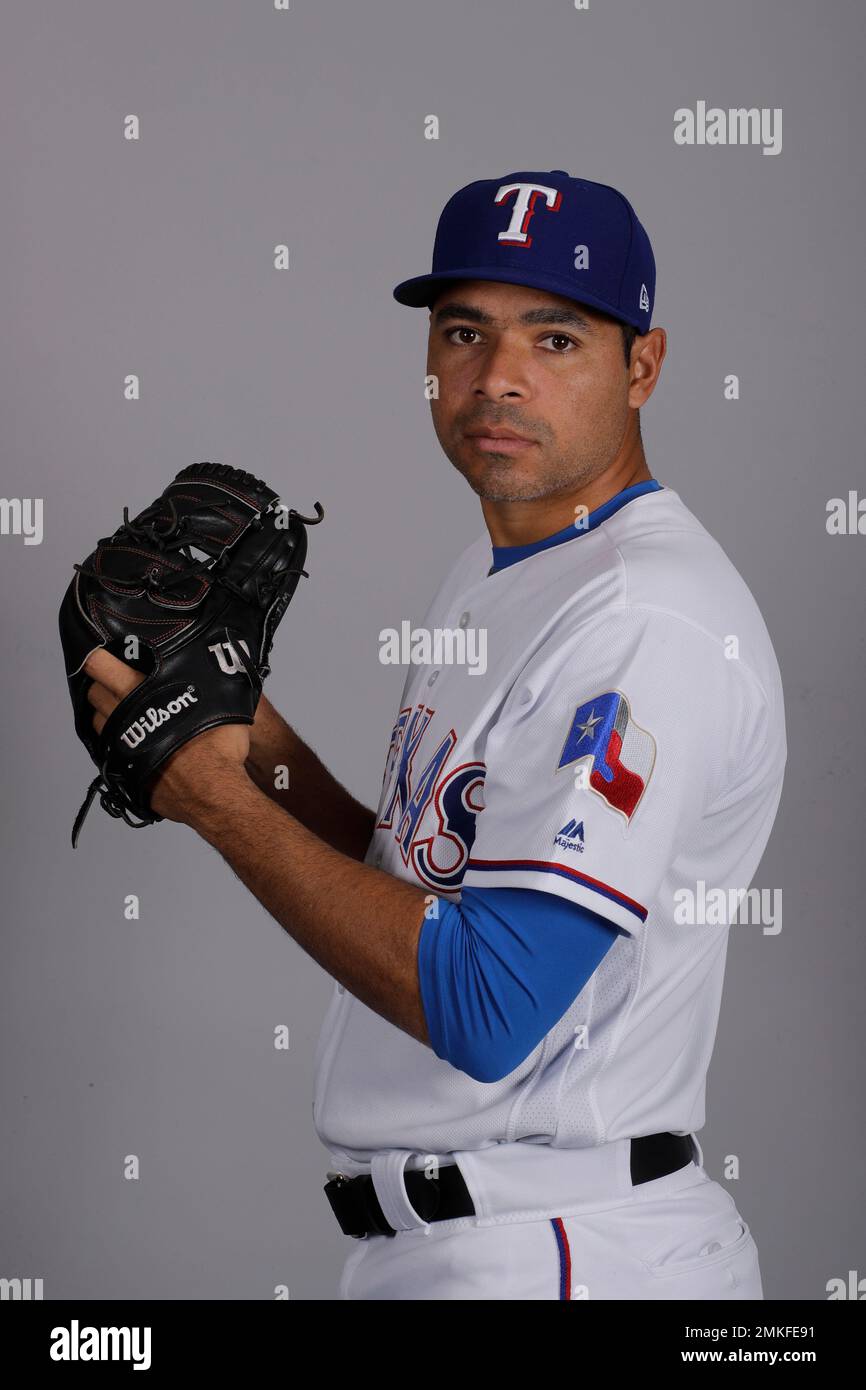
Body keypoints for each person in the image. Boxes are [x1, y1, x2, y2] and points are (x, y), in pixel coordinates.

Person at [84, 170, 786, 1300]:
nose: (496, 377)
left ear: (640, 365)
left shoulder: (644, 618)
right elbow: (424, 875)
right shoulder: (502, 571)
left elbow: (487, 1000)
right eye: (464, 331)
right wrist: (239, 731)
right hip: (469, 1246)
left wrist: (208, 797)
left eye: (552, 338)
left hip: (565, 1249)